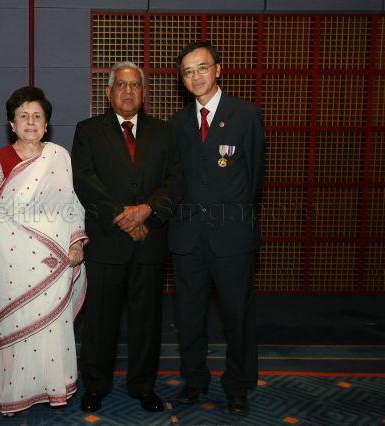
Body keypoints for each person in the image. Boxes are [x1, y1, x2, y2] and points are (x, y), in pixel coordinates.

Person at [71, 61, 183, 413]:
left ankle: (143, 386)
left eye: (135, 85)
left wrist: (147, 211)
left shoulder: (164, 133)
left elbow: (175, 181)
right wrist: (124, 216)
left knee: (147, 322)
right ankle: (96, 386)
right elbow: (85, 180)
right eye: (121, 85)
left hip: (149, 241)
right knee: (99, 323)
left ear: (144, 93)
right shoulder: (88, 131)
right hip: (107, 241)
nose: (129, 91)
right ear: (109, 92)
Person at [0, 86, 87, 416]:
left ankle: (55, 388)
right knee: (15, 325)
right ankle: (13, 395)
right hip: (11, 263)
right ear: (12, 124)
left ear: (47, 123)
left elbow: (72, 204)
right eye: (23, 116)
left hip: (55, 261)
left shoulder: (59, 157)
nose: (31, 121)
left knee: (54, 326)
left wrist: (76, 241)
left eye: (37, 116)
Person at [168, 41, 265, 417]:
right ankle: (194, 381)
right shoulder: (177, 123)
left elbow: (253, 177)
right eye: (188, 71)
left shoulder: (245, 115)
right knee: (189, 315)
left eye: (202, 68)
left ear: (219, 70)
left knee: (237, 315)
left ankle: (238, 385)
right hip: (188, 237)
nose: (195, 76)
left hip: (231, 236)